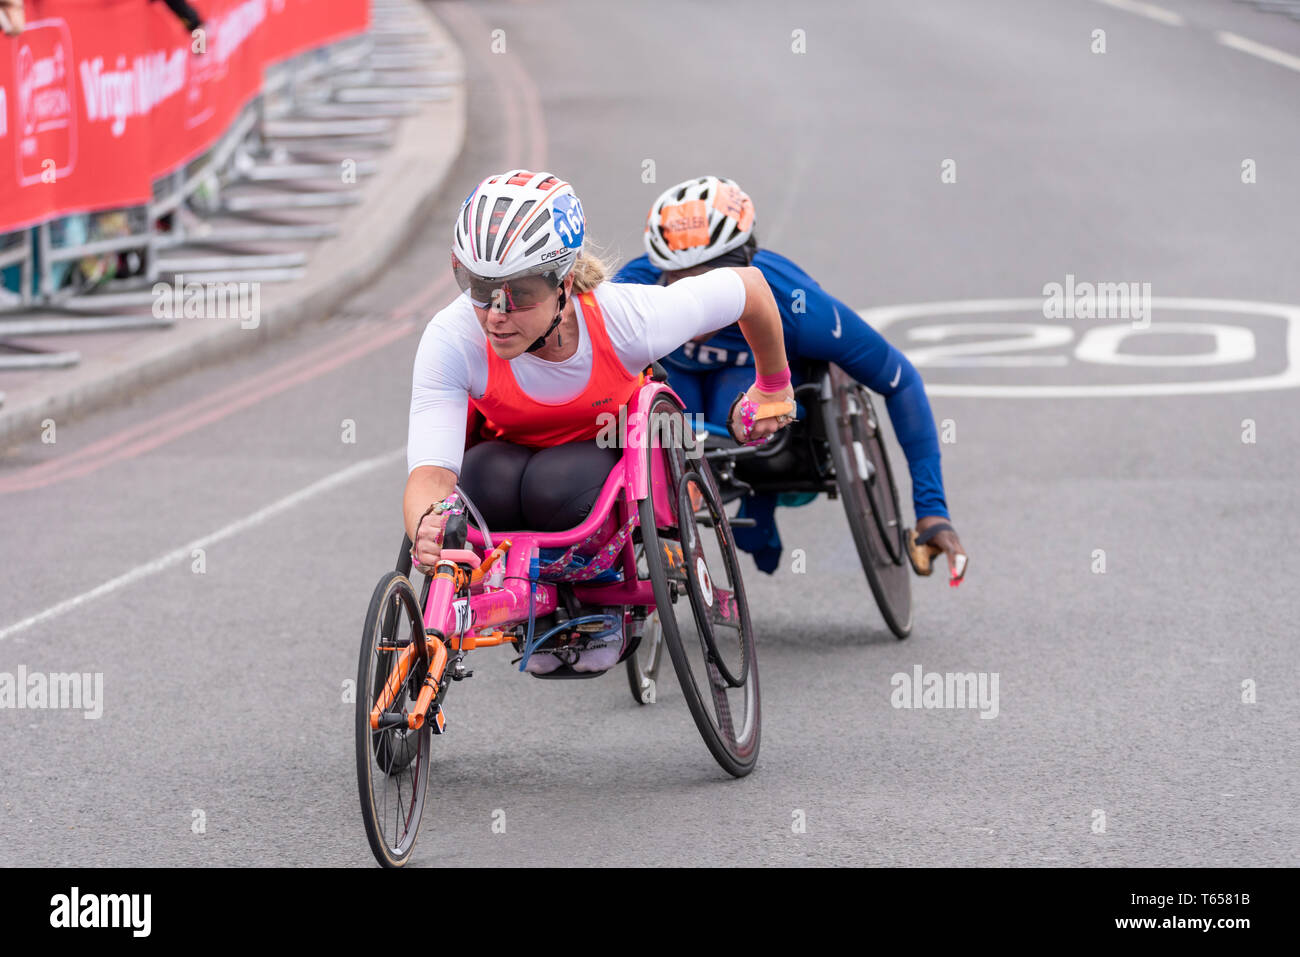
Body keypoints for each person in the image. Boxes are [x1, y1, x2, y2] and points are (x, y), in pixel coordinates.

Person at [404, 170, 794, 669]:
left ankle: (596, 601)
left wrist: (773, 387)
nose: (495, 314)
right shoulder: (452, 336)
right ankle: (529, 600)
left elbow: (751, 287)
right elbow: (431, 476)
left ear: (563, 283)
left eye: (518, 293)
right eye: (478, 287)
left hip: (602, 469)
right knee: (483, 479)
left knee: (554, 483)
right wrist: (426, 526)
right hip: (503, 462)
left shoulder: (626, 319)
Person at [615, 175, 967, 583]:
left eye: (708, 279)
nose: (694, 295)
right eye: (678, 280)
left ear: (745, 264)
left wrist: (933, 512)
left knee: (741, 421)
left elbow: (901, 381)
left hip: (751, 376)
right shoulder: (636, 286)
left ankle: (759, 499)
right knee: (659, 420)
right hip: (678, 373)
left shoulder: (800, 307)